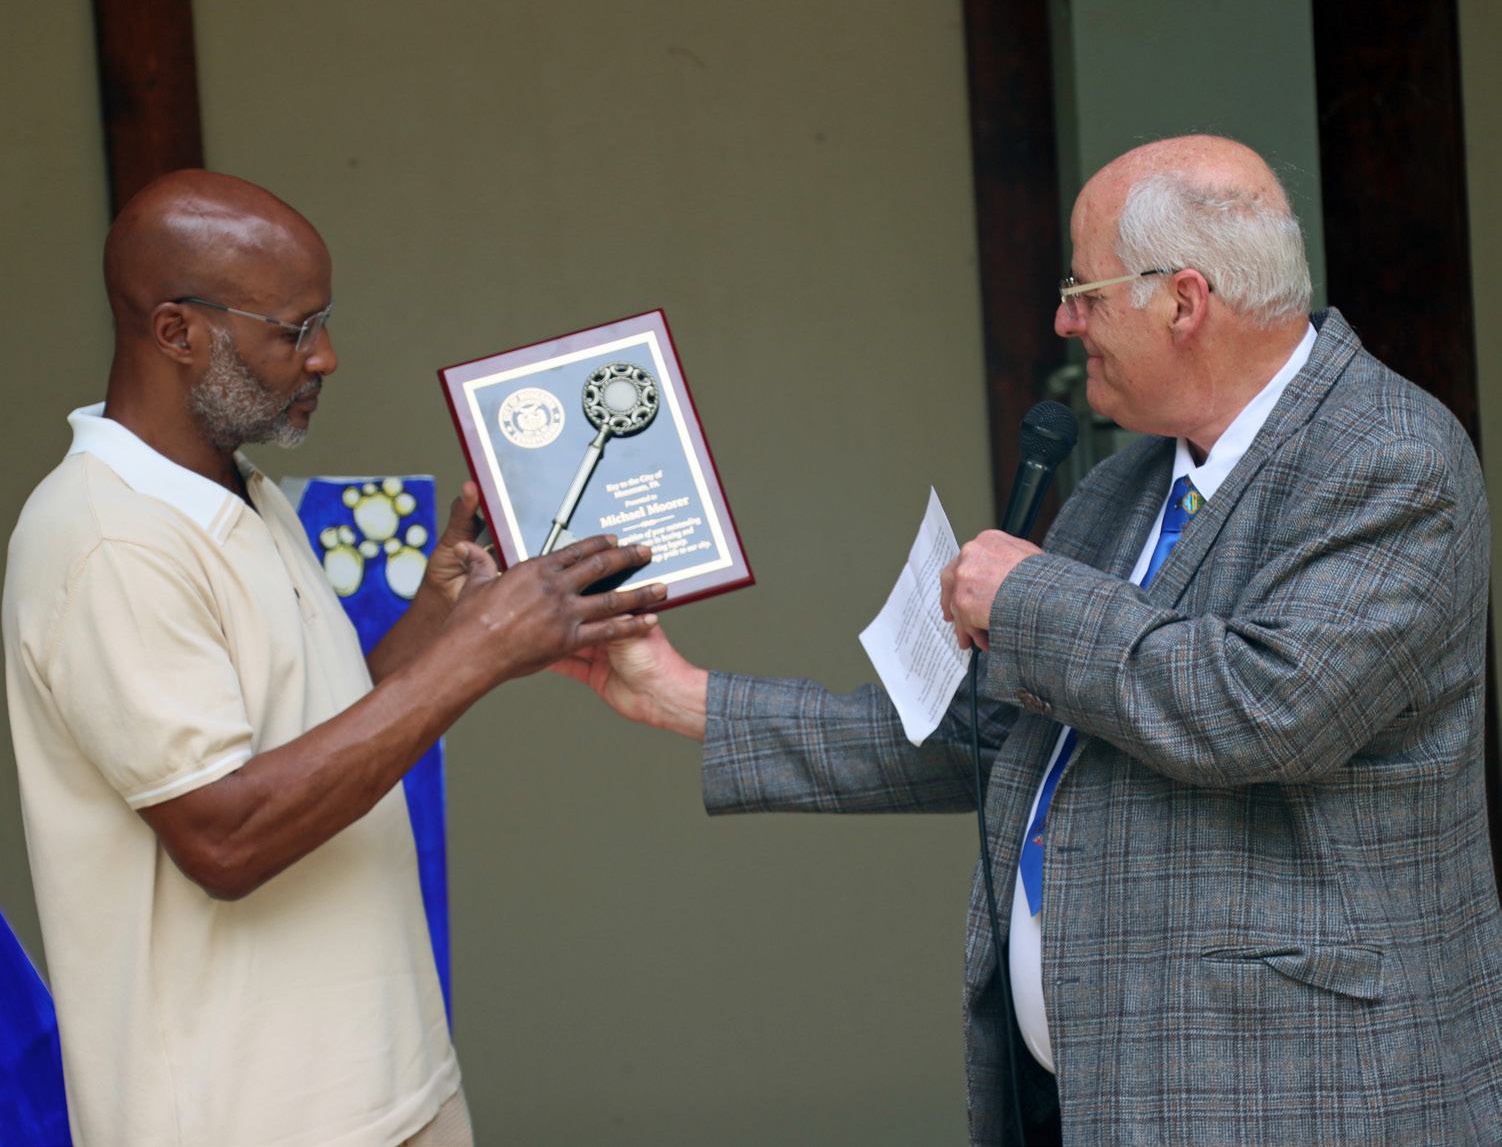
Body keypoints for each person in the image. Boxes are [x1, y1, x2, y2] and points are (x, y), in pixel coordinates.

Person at [559, 135, 1502, 1144]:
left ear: (1182, 303)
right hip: (1090, 1095)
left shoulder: (1390, 459)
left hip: (1302, 1098)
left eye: (1081, 290)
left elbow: (1264, 709)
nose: (1061, 321)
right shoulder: (1122, 484)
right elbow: (1002, 736)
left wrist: (1025, 599)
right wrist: (677, 693)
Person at [1, 170, 664, 1146]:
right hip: (247, 1117)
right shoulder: (106, 537)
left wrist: (446, 621)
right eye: (293, 330)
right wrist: (474, 654)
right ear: (177, 332)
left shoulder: (235, 493)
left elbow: (308, 744)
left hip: (388, 1083)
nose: (326, 358)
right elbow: (224, 837)